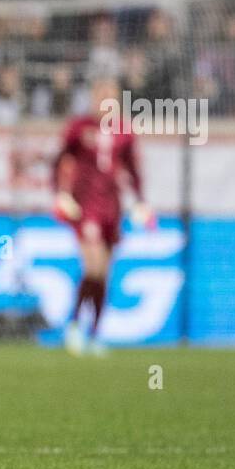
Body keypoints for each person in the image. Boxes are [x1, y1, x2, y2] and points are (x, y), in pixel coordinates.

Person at [53, 78, 153, 356]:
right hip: (86, 207)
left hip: (112, 207)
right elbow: (59, 160)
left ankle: (95, 334)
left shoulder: (124, 131)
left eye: (112, 97)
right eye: (102, 96)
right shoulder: (79, 128)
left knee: (105, 274)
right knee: (93, 267)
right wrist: (61, 194)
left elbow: (133, 170)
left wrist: (141, 202)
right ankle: (73, 326)